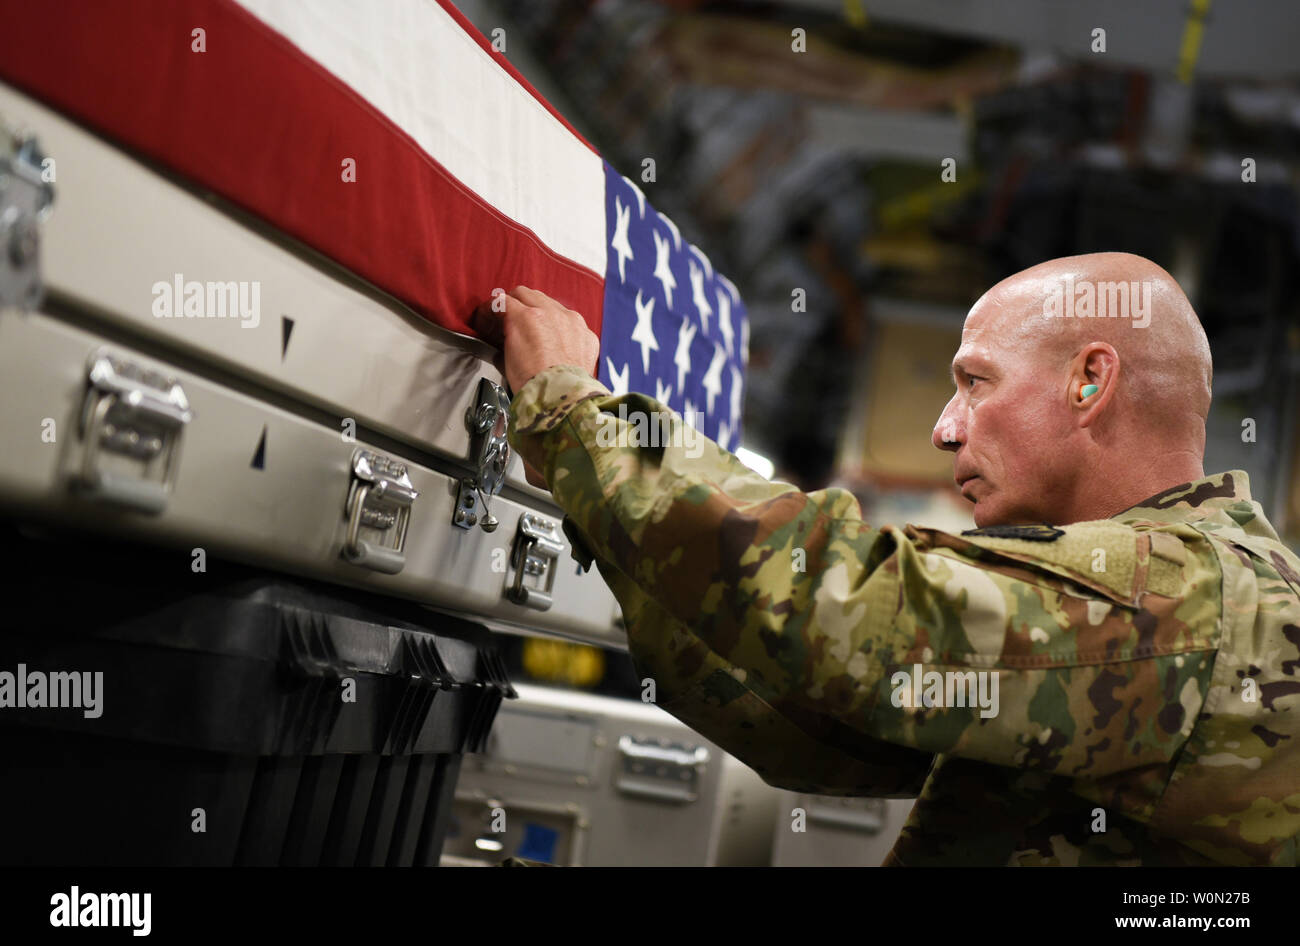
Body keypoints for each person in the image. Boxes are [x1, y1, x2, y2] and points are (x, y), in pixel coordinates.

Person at [471, 252, 1300, 866]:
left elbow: (863, 609)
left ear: (1089, 383)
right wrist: (602, 496)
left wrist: (577, 416)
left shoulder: (1197, 598)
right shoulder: (1191, 593)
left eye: (975, 382)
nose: (944, 427)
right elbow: (817, 730)